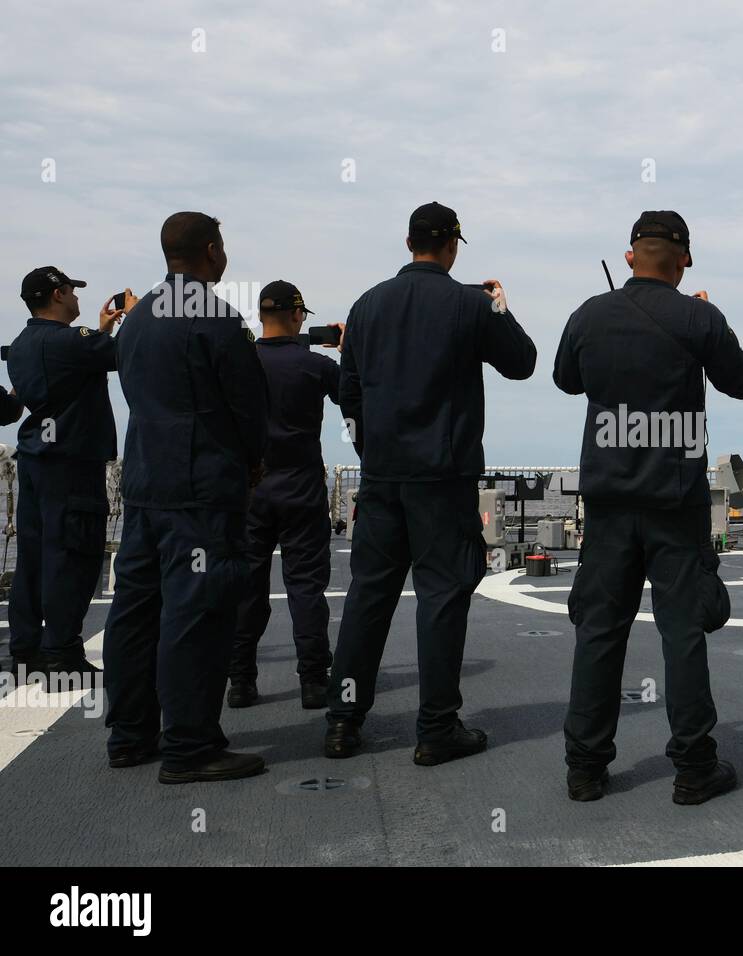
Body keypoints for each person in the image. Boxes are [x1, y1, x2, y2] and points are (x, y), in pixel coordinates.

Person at [553, 211, 743, 804]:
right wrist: (701, 323)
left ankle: (585, 769)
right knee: (682, 634)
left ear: (628, 258)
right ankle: (694, 769)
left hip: (610, 504)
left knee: (598, 633)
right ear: (685, 260)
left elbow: (567, 380)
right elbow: (742, 383)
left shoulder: (590, 314)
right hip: (675, 504)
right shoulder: (698, 316)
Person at [324, 201, 536, 765]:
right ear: (452, 247)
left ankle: (343, 722)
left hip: (383, 476)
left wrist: (372, 451)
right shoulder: (470, 304)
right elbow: (522, 363)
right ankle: (436, 727)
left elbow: (349, 389)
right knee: (441, 599)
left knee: (369, 596)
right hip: (442, 478)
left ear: (408, 242)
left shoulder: (367, 305)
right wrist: (500, 307)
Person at [102, 212, 270, 784]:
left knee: (136, 612)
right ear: (212, 250)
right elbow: (249, 407)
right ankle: (191, 746)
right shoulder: (216, 318)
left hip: (145, 484)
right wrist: (251, 464)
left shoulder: (138, 318)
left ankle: (128, 736)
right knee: (196, 613)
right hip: (201, 490)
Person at [5, 268, 132, 678]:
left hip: (36, 461)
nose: (78, 299)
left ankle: (25, 648)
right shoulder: (70, 342)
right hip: (73, 463)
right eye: (73, 292)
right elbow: (125, 354)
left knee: (34, 558)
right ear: (59, 294)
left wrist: (99, 331)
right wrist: (135, 314)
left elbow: (73, 364)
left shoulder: (23, 344)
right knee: (73, 557)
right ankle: (61, 652)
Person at [227, 281, 342, 710]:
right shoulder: (316, 365)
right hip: (303, 491)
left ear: (260, 316)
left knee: (246, 588)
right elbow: (356, 395)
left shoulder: (240, 363)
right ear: (298, 316)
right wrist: (347, 353)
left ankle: (240, 681)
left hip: (249, 493)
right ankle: (313, 680)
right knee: (307, 589)